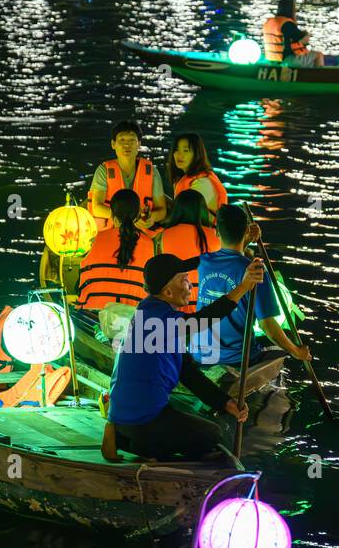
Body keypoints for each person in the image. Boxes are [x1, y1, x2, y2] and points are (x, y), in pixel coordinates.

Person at [105, 253, 266, 461]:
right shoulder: (161, 320)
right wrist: (243, 287)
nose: (190, 285)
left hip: (125, 414)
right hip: (143, 420)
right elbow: (203, 320)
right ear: (168, 291)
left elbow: (187, 373)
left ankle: (122, 435)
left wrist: (226, 403)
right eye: (184, 280)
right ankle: (139, 446)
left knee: (194, 419)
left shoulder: (149, 311)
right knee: (212, 435)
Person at [193, 206, 310, 368]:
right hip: (236, 359)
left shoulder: (203, 262)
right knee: (279, 348)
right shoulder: (255, 272)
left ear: (217, 232)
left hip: (200, 354)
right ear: (244, 230)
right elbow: (267, 326)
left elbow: (229, 259)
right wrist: (296, 351)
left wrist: (245, 240)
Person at [76, 189, 156, 311]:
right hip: (132, 317)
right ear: (138, 215)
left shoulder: (94, 239)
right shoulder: (150, 244)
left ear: (112, 214)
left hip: (92, 313)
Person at [86, 120, 167, 232]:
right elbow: (96, 208)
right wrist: (126, 218)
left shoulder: (152, 172)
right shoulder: (103, 170)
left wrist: (151, 218)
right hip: (112, 231)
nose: (126, 145)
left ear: (139, 144)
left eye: (132, 140)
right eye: (122, 140)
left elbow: (162, 210)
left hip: (142, 231)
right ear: (113, 144)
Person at [153, 190, 220, 312]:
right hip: (208, 308)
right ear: (203, 210)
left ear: (176, 210)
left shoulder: (162, 237)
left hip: (175, 308)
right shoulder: (217, 238)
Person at [168, 132, 227, 214]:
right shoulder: (182, 179)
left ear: (197, 154)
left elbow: (185, 215)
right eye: (177, 150)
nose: (179, 155)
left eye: (186, 150)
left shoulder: (203, 183)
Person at [262, 0, 325, 68]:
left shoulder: (268, 22)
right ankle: (318, 76)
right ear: (291, 9)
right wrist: (307, 34)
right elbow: (303, 40)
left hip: (271, 60)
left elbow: (289, 36)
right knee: (318, 55)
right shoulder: (287, 23)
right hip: (287, 60)